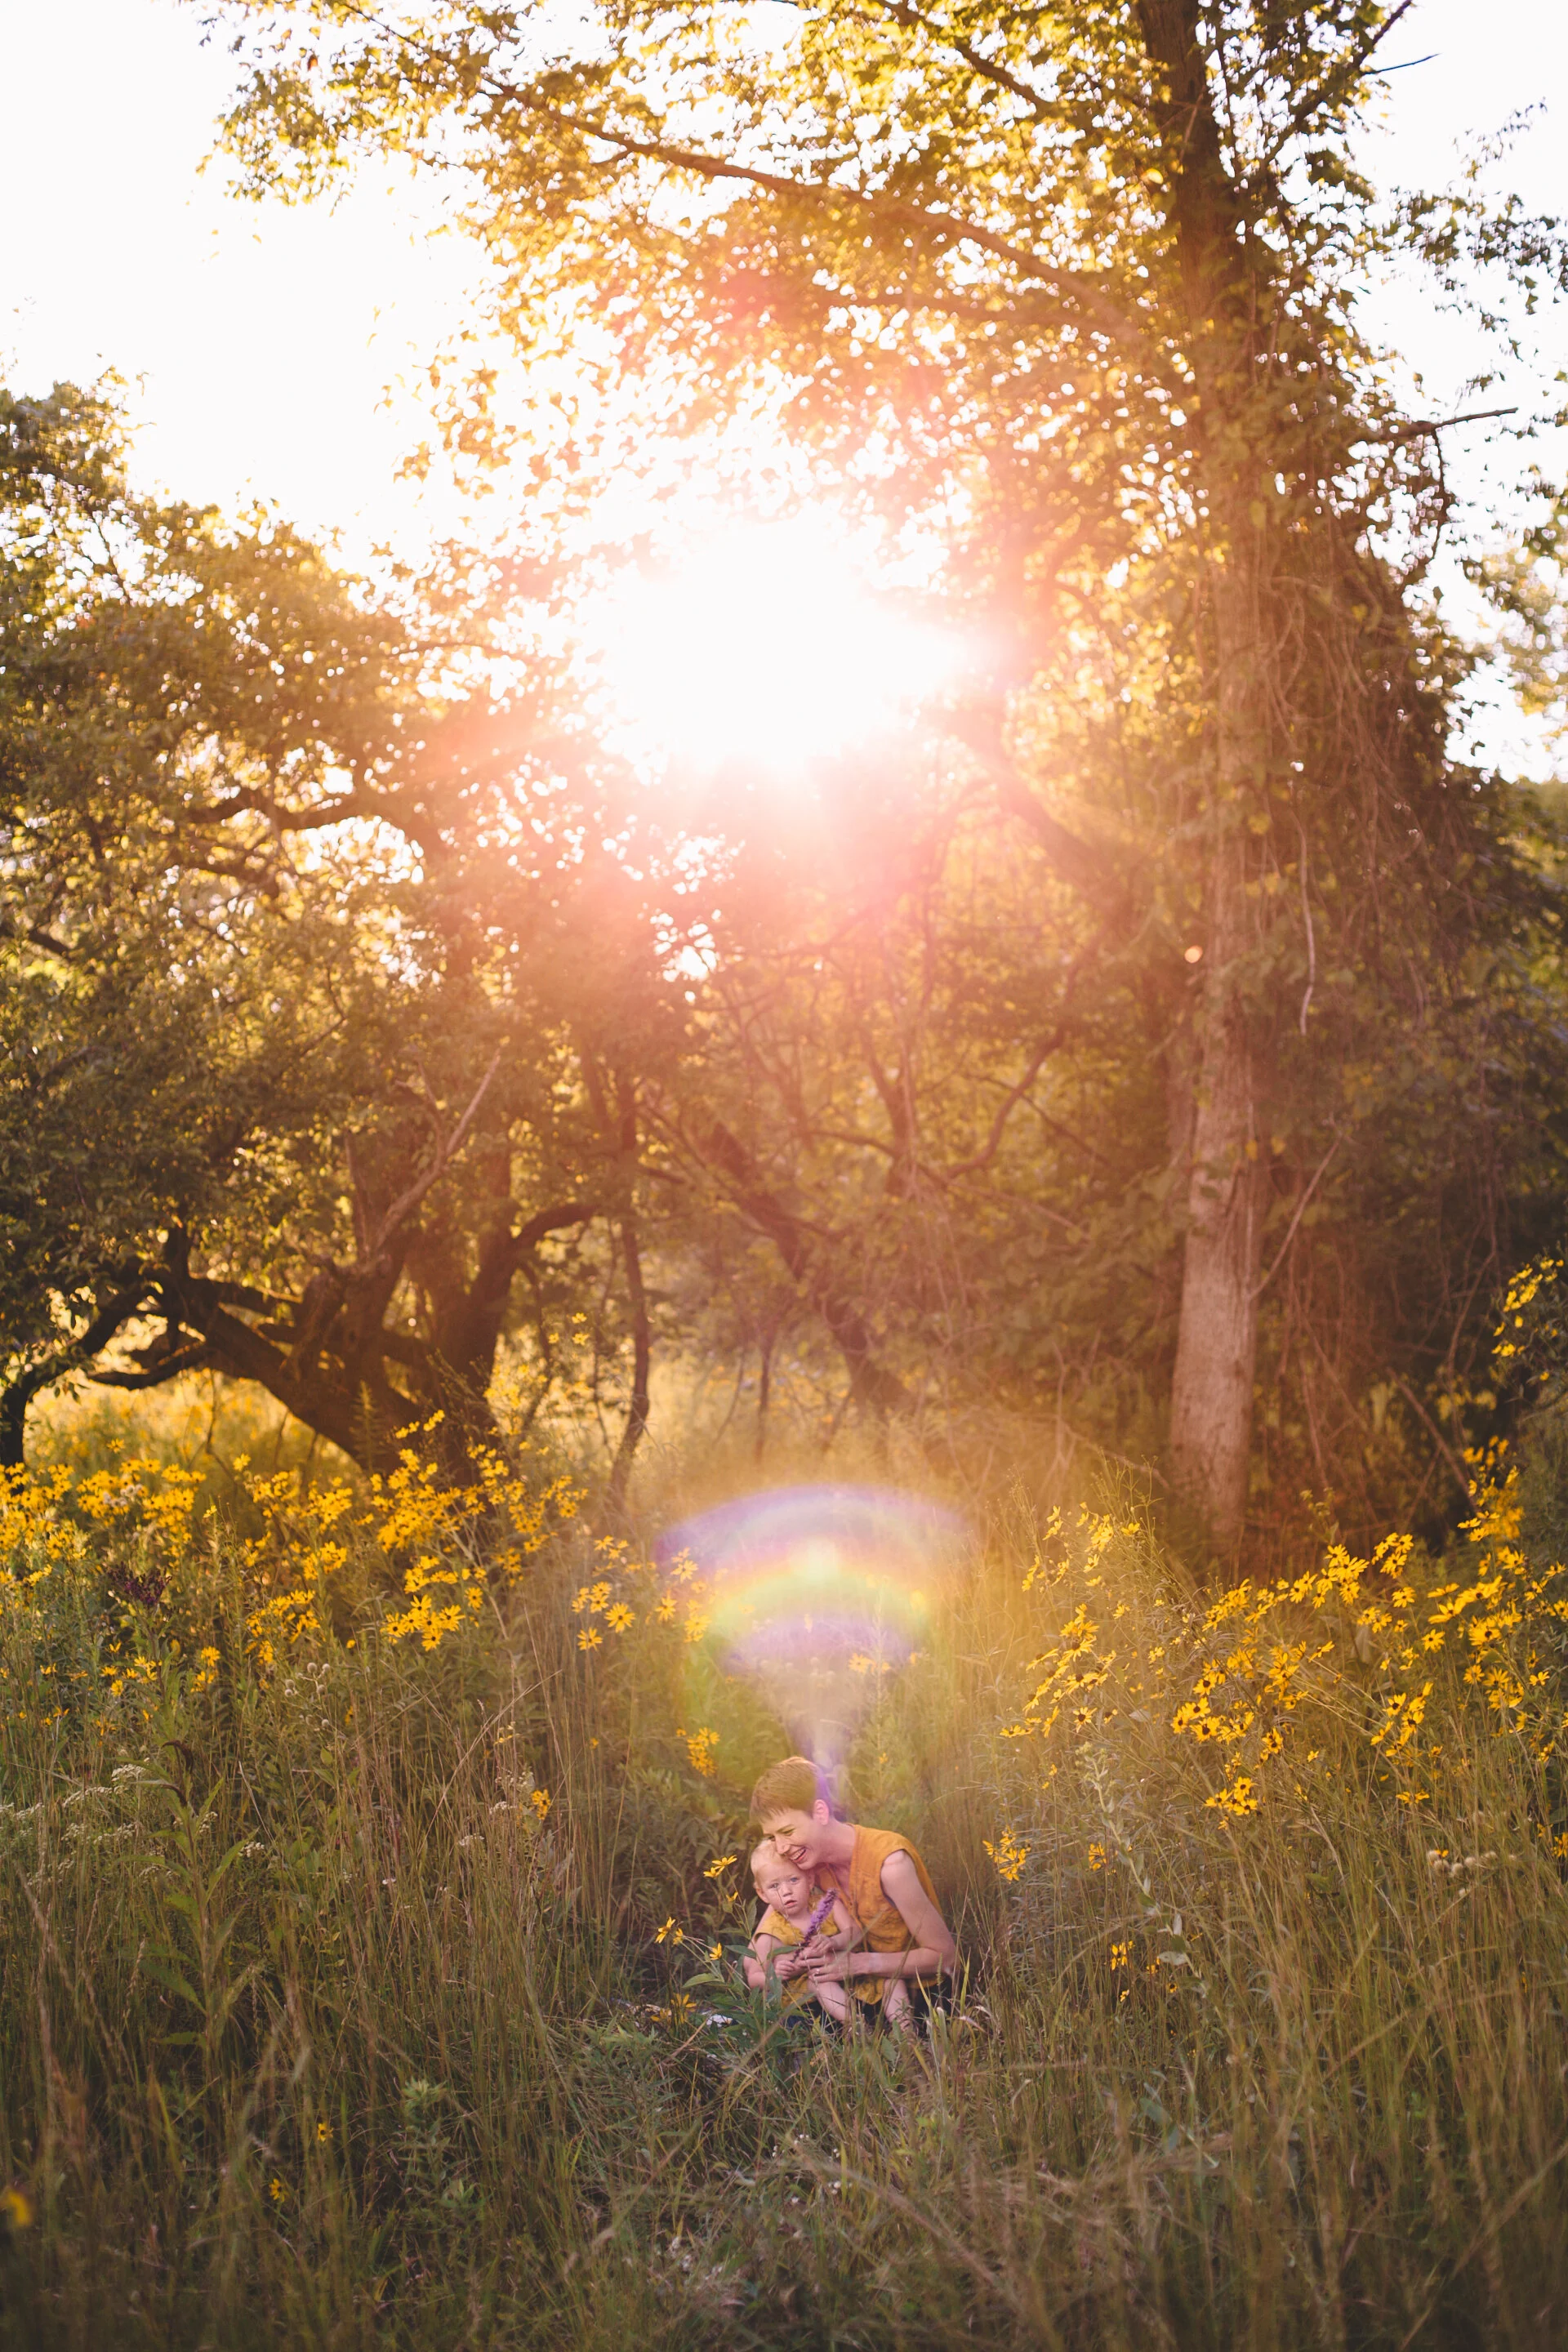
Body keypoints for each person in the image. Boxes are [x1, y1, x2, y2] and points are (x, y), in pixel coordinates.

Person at [750, 1756, 956, 2025]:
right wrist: (778, 1964)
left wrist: (863, 1964)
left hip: (918, 1997)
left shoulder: (890, 1864)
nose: (780, 1848)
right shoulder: (805, 1863)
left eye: (787, 1831)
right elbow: (754, 1953)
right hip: (855, 1992)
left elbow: (946, 1957)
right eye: (772, 1837)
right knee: (786, 2021)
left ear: (821, 1812)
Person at [742, 1837, 913, 2029]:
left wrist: (835, 1942)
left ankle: (907, 2034)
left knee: (892, 1978)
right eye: (775, 1886)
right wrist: (775, 1977)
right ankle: (857, 2028)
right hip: (811, 2003)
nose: (786, 1891)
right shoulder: (770, 1933)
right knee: (819, 1981)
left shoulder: (828, 1905)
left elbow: (855, 1933)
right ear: (762, 1894)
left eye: (793, 1880)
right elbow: (754, 1976)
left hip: (853, 1979)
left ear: (809, 1880)